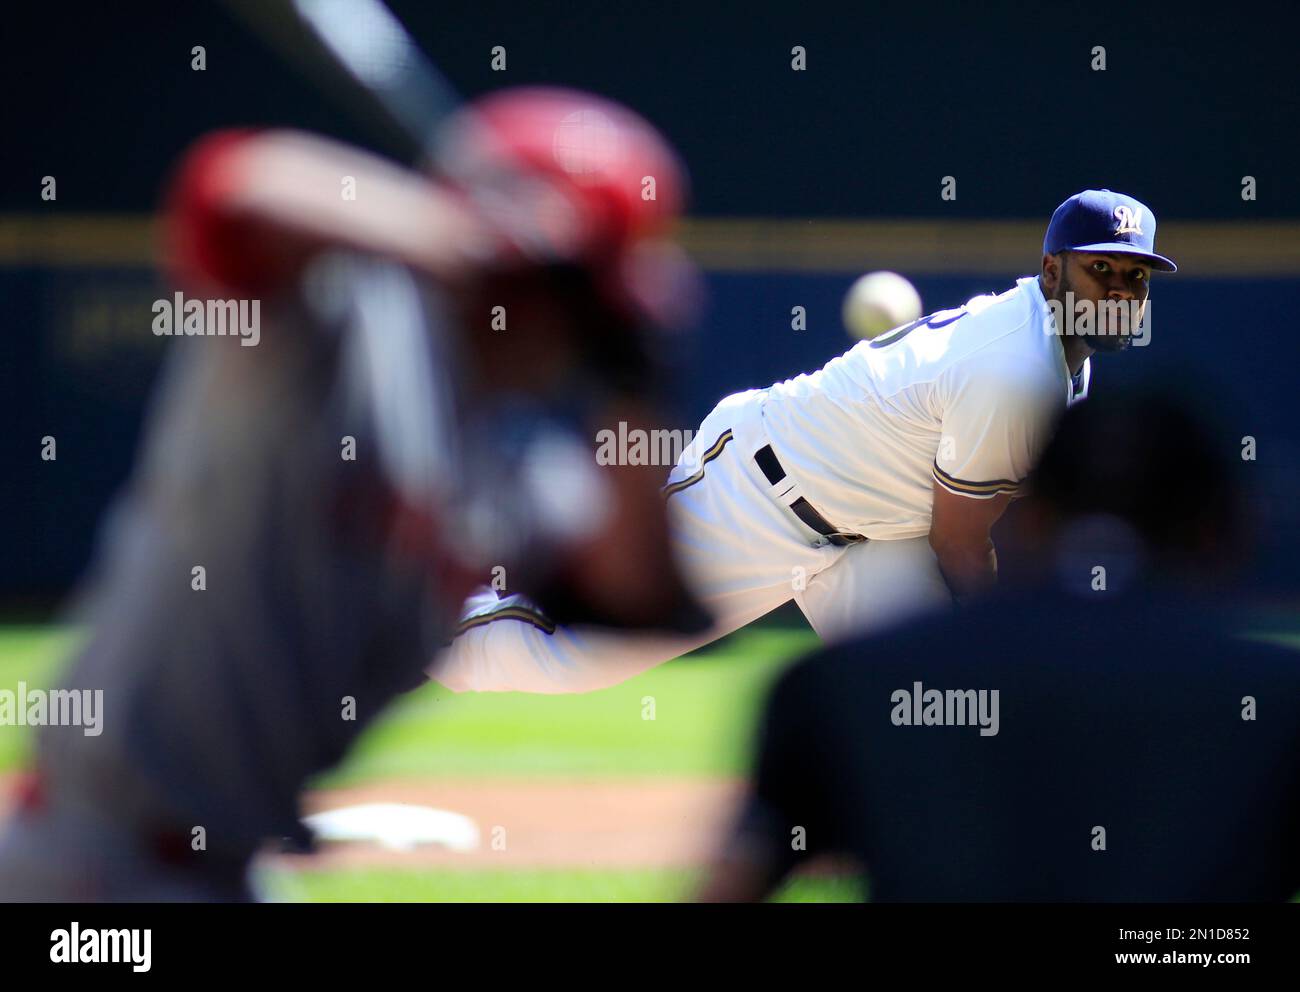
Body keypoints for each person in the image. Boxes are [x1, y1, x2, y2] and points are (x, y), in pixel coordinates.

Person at [0, 88, 702, 901]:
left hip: (229, 868)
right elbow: (234, 187)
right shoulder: (332, 326)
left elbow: (642, 596)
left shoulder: (518, 478)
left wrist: (638, 388)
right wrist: (467, 235)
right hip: (90, 869)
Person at [431, 189, 1177, 694]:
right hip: (761, 494)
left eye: (1134, 278)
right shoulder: (1018, 367)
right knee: (561, 658)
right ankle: (409, 621)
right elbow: (962, 538)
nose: (1118, 291)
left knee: (920, 710)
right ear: (1053, 271)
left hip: (869, 542)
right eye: (1099, 270)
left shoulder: (1059, 355)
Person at [699, 389, 1300, 902]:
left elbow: (733, 883)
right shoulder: (1277, 702)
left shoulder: (843, 683)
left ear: (1026, 520)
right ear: (1226, 532)